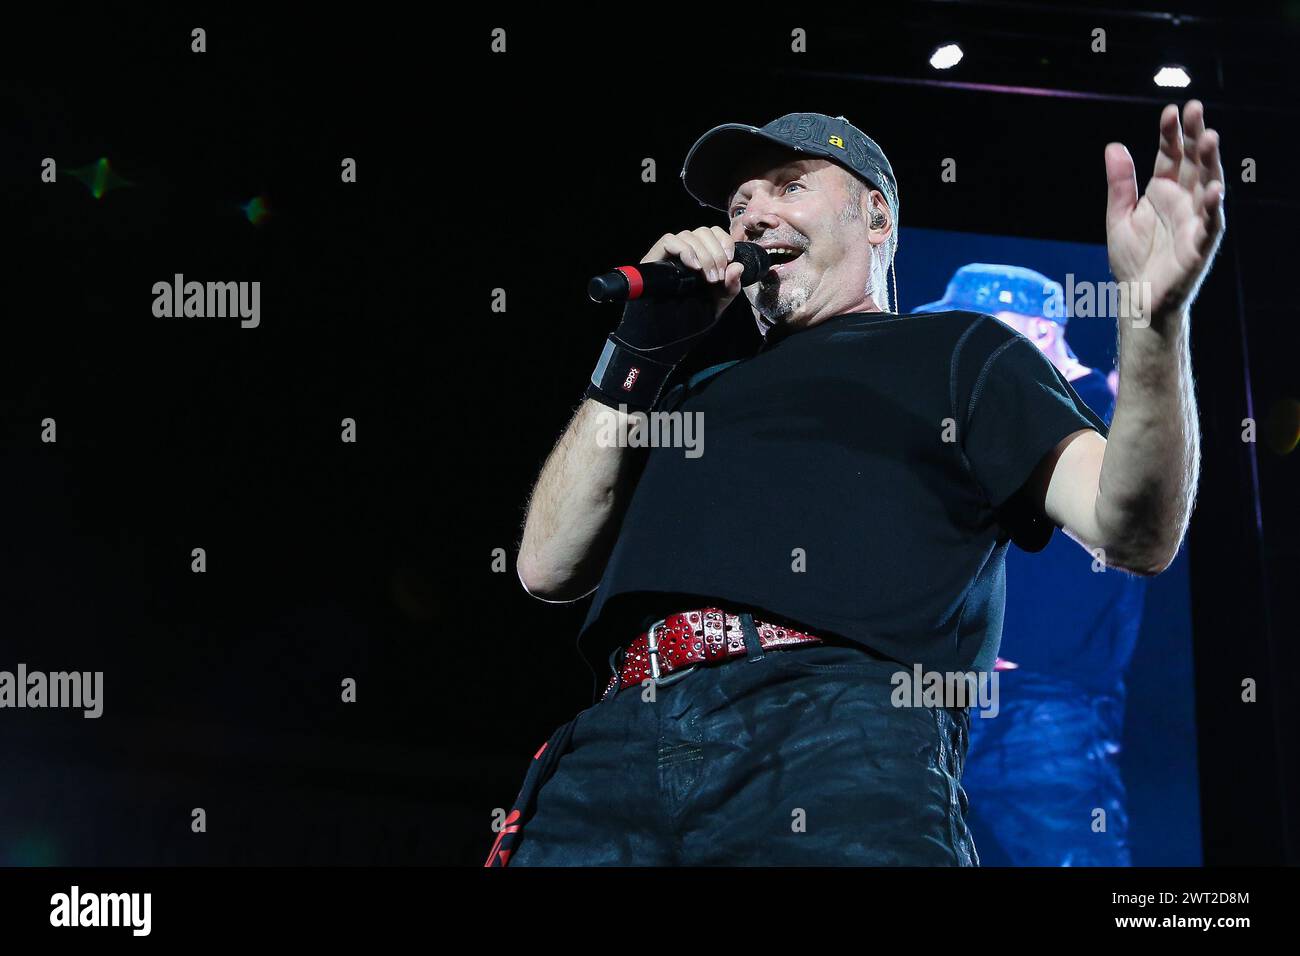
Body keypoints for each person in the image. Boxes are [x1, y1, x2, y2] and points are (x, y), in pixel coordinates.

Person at [485, 105, 1223, 866]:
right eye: (738, 206)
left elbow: (1134, 527)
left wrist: (1154, 319)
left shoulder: (961, 351)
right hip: (614, 743)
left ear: (876, 217)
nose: (752, 217)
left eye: (788, 187)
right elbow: (547, 562)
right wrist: (637, 354)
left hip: (837, 733)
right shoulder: (686, 394)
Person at [914, 264, 1147, 866]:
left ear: (1040, 334)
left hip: (1045, 704)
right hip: (962, 696)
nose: (957, 342)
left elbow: (1107, 563)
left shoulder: (1106, 409)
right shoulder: (989, 418)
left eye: (976, 326)